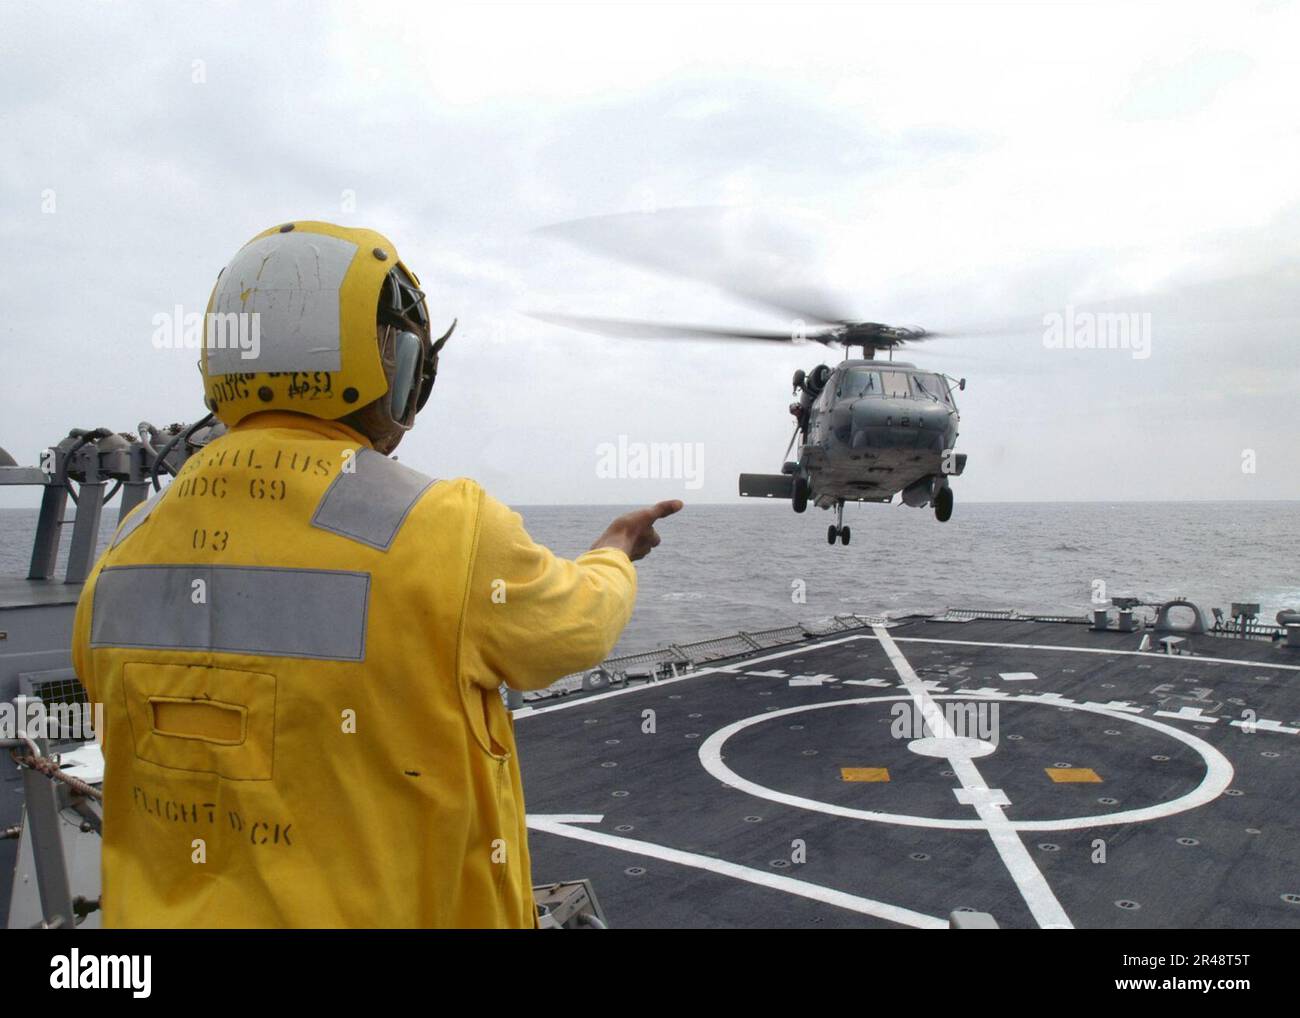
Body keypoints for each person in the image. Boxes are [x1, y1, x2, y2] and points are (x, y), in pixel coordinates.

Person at [71, 221, 680, 928]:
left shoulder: (126, 546)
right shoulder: (447, 526)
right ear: (393, 370)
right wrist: (614, 550)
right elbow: (575, 626)